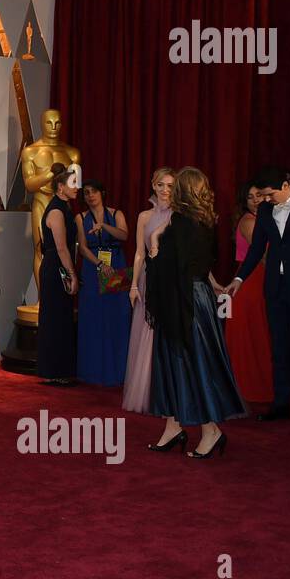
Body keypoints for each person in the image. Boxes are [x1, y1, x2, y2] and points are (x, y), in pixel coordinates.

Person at [144, 167, 247, 457]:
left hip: (184, 301)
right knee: (185, 363)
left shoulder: (180, 221)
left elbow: (172, 266)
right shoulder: (204, 221)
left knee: (192, 364)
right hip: (196, 297)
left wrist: (154, 249)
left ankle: (210, 431)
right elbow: (200, 264)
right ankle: (173, 426)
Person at [227, 165, 290, 426]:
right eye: (261, 195)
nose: (264, 199)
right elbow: (256, 249)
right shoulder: (264, 210)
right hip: (275, 287)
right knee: (279, 347)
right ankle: (281, 403)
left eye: (268, 194)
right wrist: (240, 278)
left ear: (285, 186)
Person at [122, 167, 174, 413]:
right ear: (153, 185)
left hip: (171, 281)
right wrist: (133, 284)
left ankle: (168, 394)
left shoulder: (180, 214)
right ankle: (147, 393)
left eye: (170, 186)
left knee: (167, 335)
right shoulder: (144, 216)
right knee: (146, 335)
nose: (165, 190)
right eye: (161, 185)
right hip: (147, 279)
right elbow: (139, 253)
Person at [75, 179, 130, 385]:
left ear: (102, 193)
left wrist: (104, 226)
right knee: (93, 318)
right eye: (86, 193)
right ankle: (93, 372)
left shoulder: (117, 214)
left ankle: (118, 372)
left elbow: (124, 235)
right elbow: (82, 247)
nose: (90, 196)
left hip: (116, 265)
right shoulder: (80, 218)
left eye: (94, 192)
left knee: (117, 316)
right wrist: (99, 264)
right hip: (93, 267)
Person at [223, 179, 273, 404]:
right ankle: (249, 389)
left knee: (260, 336)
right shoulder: (249, 221)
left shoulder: (266, 219)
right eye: (250, 198)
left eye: (259, 196)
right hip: (249, 283)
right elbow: (264, 256)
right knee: (251, 338)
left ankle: (259, 386)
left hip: (259, 281)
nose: (255, 201)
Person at [36, 164, 79, 385]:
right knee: (55, 317)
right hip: (56, 267)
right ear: (60, 187)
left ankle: (58, 370)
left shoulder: (64, 208)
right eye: (73, 184)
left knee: (61, 316)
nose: (77, 188)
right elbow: (61, 247)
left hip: (57, 264)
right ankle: (53, 370)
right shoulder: (56, 210)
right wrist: (72, 274)